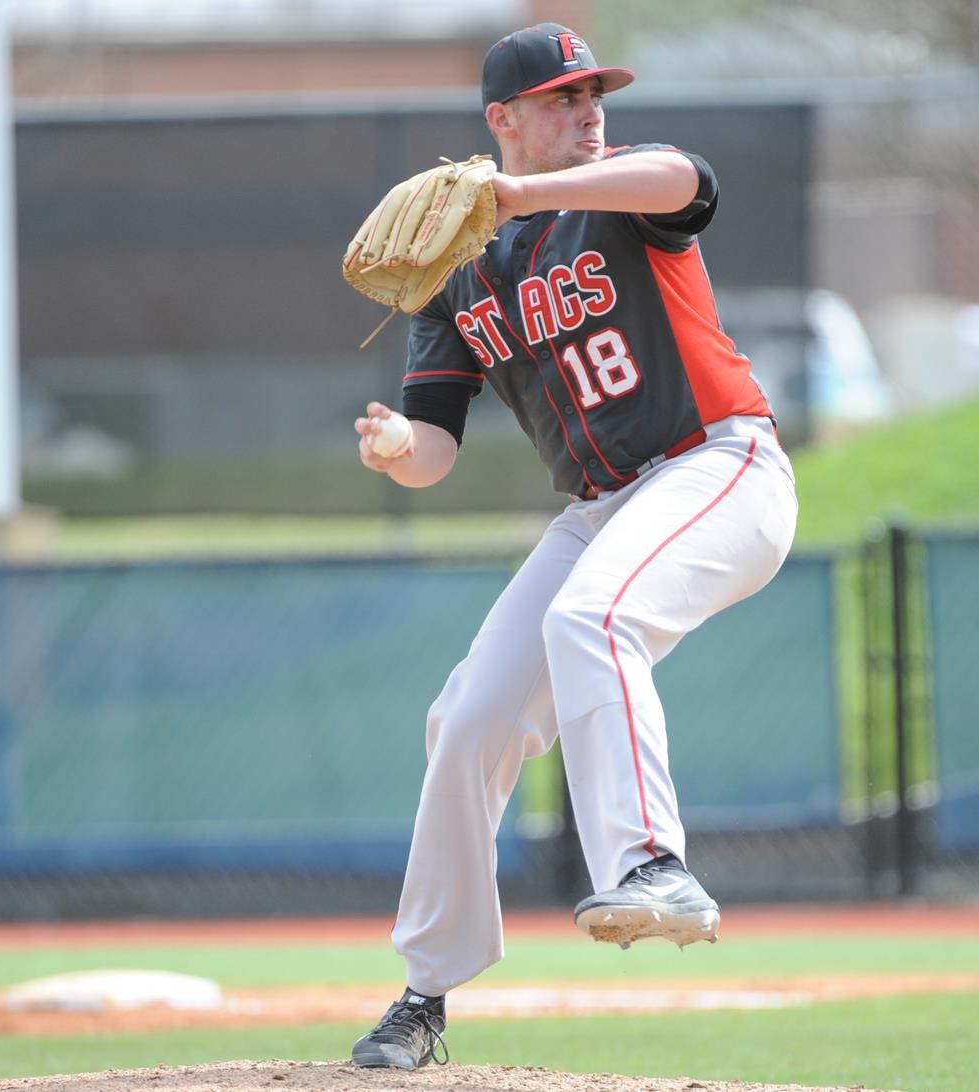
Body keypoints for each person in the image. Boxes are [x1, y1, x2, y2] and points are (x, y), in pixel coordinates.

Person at [347, 23, 798, 1070]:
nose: (587, 110)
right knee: (468, 720)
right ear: (500, 121)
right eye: (559, 98)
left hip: (717, 466)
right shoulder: (453, 270)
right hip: (603, 504)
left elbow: (686, 175)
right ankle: (424, 995)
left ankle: (651, 866)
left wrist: (514, 195)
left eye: (591, 91)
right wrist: (393, 444)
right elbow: (435, 453)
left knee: (591, 615)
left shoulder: (621, 190)